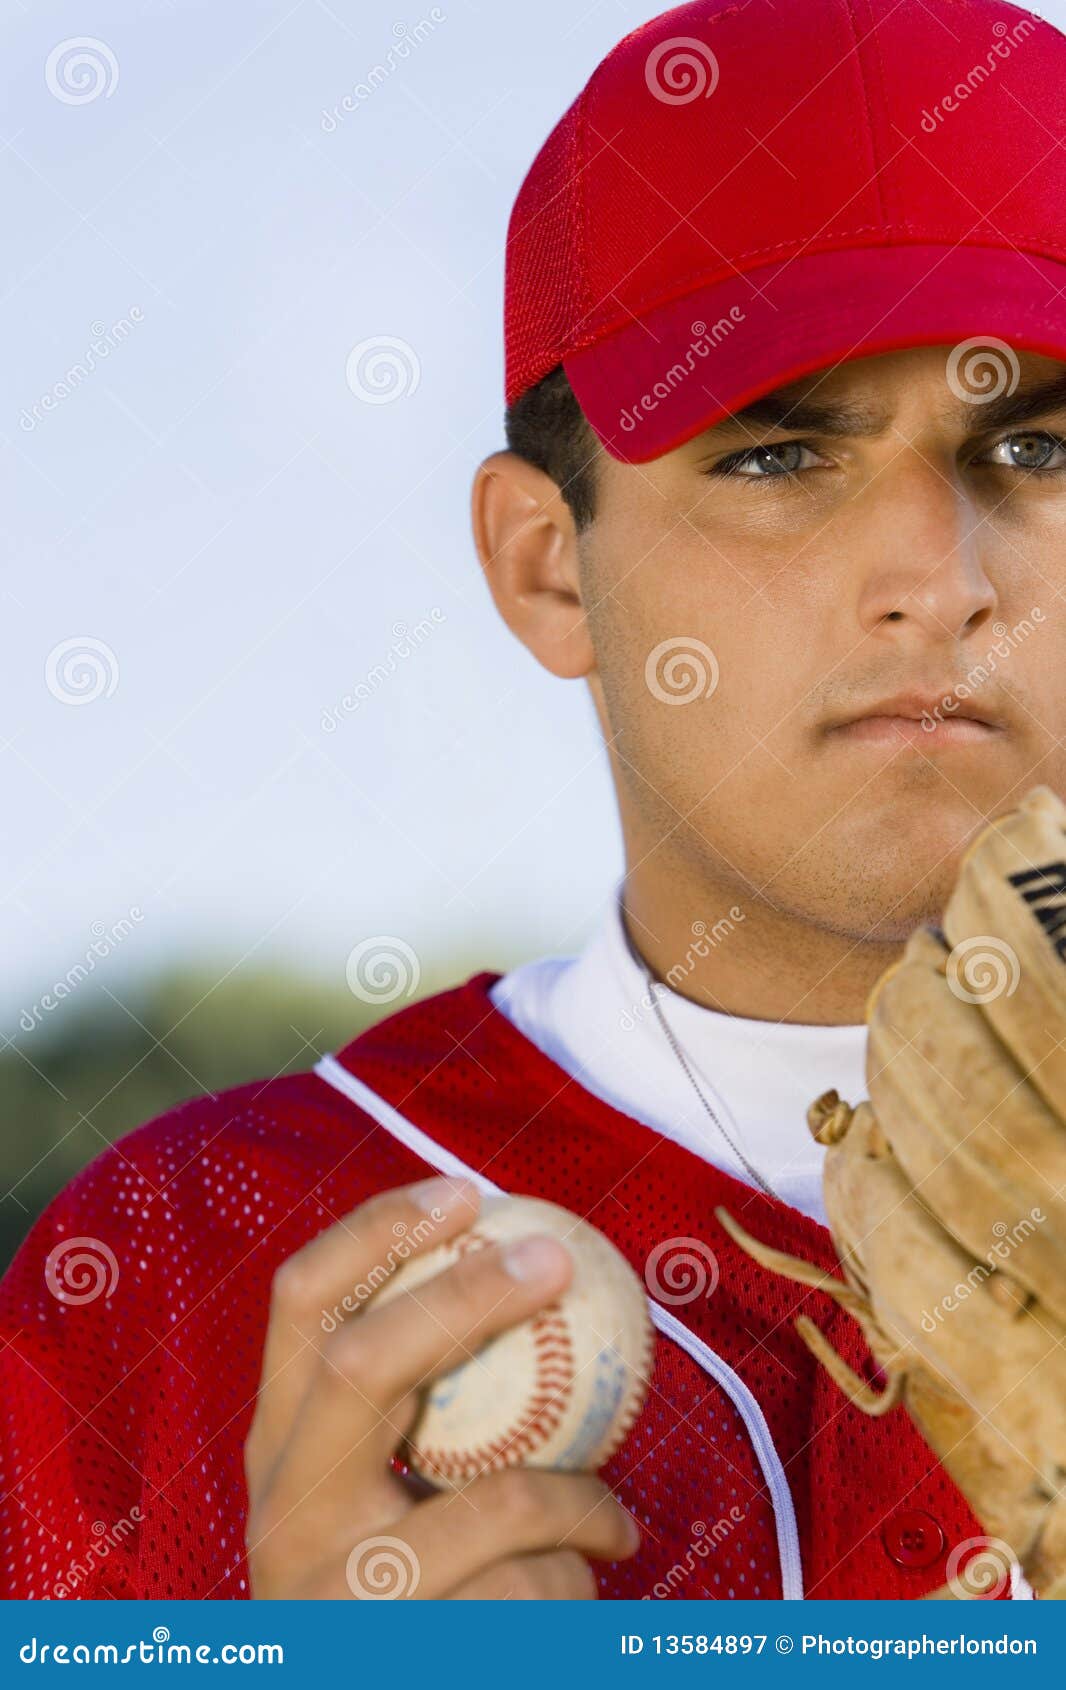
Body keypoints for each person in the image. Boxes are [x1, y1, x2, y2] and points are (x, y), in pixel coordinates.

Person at [3, 0, 1066, 1603]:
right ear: (544, 562)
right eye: (777, 458)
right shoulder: (179, 1260)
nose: (937, 576)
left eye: (1038, 445)